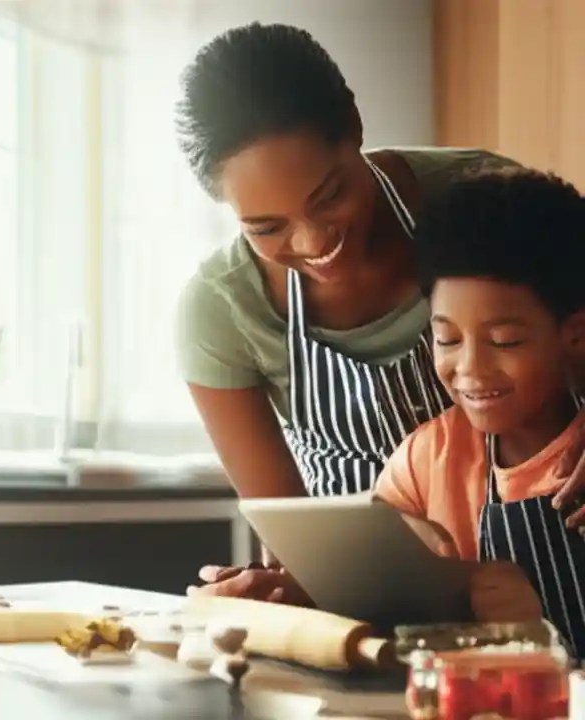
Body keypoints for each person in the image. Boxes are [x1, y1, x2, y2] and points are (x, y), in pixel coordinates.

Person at [172, 22, 585, 598]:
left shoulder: (483, 200)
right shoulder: (220, 310)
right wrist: (283, 592)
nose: (315, 243)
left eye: (331, 195)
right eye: (267, 227)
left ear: (355, 124)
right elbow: (298, 542)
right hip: (372, 598)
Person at [375, 170, 585, 655]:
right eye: (446, 339)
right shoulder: (428, 460)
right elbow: (364, 591)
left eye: (504, 341)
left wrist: (538, 632)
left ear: (574, 335)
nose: (469, 369)